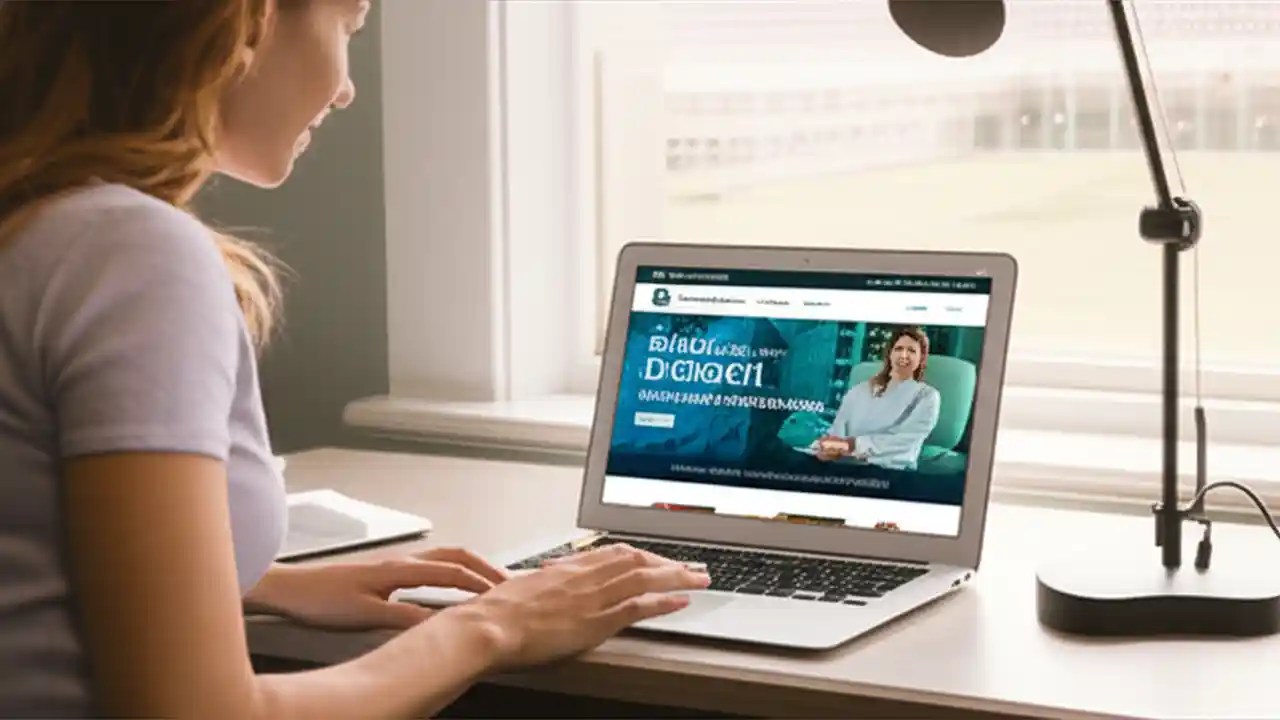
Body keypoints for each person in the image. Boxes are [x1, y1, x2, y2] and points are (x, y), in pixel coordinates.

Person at [0, 1, 709, 717]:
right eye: (350, 25)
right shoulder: (131, 256)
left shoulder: (37, 224)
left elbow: (29, 541)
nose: (346, 89)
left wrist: (258, 583)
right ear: (250, 21)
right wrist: (492, 625)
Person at [813, 326, 941, 471]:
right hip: (842, 466)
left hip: (890, 472)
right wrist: (827, 449)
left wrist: (853, 445)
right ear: (890, 354)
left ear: (921, 358)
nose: (903, 355)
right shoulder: (859, 391)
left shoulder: (927, 396)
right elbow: (837, 431)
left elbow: (905, 442)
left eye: (911, 351)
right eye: (898, 349)